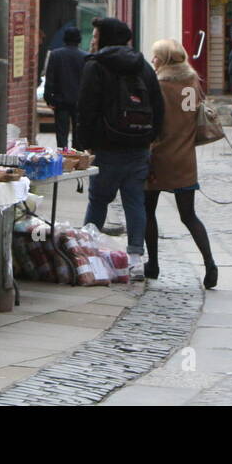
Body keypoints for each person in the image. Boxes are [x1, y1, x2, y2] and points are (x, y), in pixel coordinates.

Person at [76, 16, 165, 280]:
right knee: (134, 201)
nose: (92, 41)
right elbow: (159, 107)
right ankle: (136, 258)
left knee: (98, 199)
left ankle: (88, 252)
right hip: (138, 146)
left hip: (106, 146)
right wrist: (150, 137)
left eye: (95, 37)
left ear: (105, 38)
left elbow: (86, 108)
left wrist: (86, 144)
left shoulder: (96, 66)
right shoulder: (144, 67)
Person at [145, 39, 218, 288]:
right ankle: (209, 263)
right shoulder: (193, 82)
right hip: (185, 156)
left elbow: (153, 121)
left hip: (159, 156)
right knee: (189, 215)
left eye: (156, 56)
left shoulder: (159, 85)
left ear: (164, 59)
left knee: (148, 212)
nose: (153, 60)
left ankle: (152, 263)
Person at [43, 26, 87, 149]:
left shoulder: (56, 55)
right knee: (78, 132)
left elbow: (50, 79)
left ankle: (63, 156)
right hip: (79, 101)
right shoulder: (85, 57)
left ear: (65, 38)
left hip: (61, 101)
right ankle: (77, 156)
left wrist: (49, 99)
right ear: (79, 39)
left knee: (61, 132)